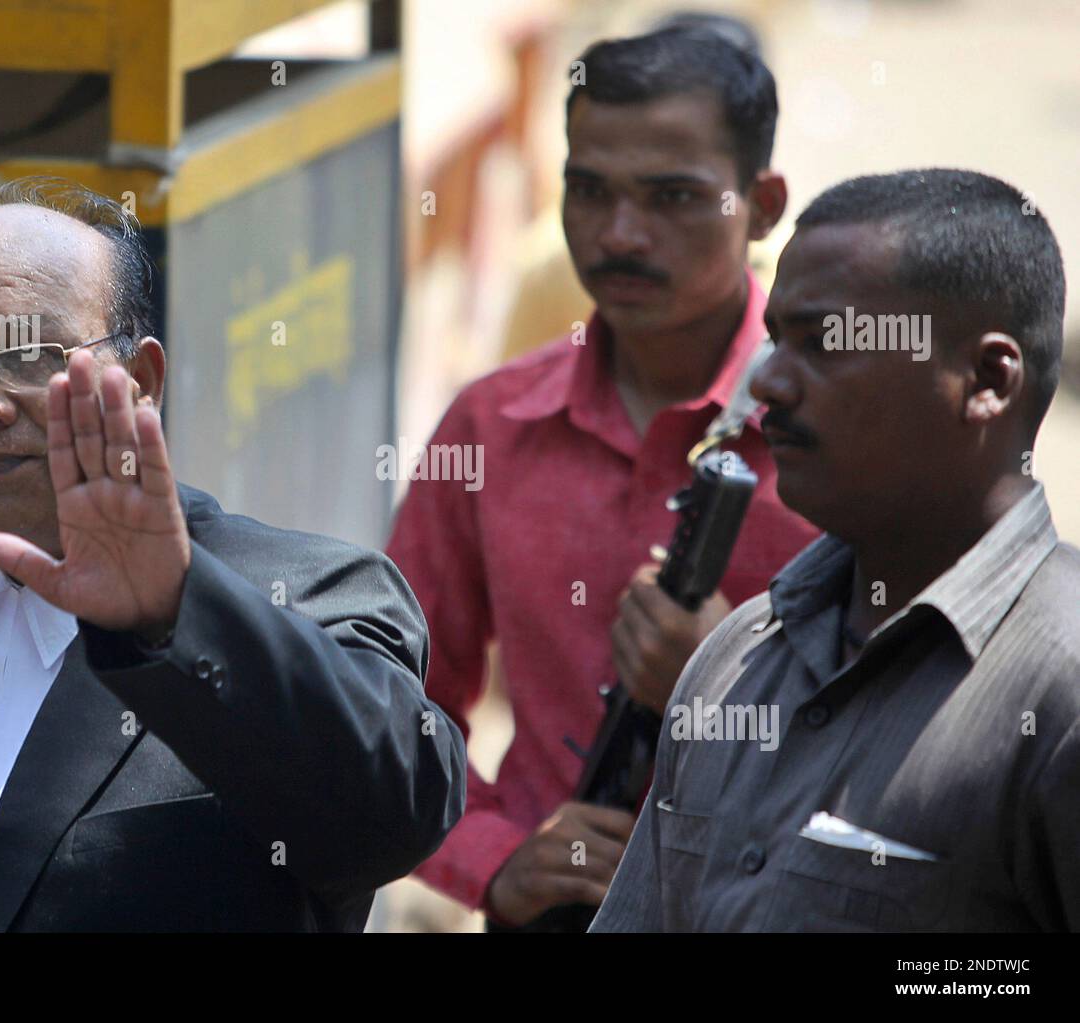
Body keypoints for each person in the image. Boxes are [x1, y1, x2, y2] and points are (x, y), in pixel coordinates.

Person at [0, 177, 465, 933]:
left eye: (27, 356)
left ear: (139, 383)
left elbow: (393, 819)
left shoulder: (309, 592)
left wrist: (171, 613)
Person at [385, 29, 819, 927]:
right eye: (589, 191)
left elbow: (939, 744)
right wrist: (492, 857)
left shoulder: (840, 435)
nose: (619, 234)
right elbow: (391, 706)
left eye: (673, 197)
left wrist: (727, 679)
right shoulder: (490, 427)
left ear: (764, 204)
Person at [591, 168, 1080, 932]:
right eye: (775, 340)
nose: (768, 384)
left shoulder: (1062, 690)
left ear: (986, 380)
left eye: (825, 342)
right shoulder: (733, 660)